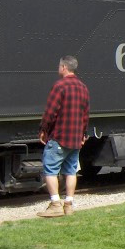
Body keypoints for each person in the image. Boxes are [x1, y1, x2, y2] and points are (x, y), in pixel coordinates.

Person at [37, 55, 90, 218]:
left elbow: (50, 112)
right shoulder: (83, 88)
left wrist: (43, 129)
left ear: (64, 68)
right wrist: (83, 134)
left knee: (50, 169)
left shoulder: (59, 86)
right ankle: (69, 204)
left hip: (59, 137)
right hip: (75, 139)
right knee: (71, 171)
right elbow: (85, 115)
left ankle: (55, 204)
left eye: (59, 66)